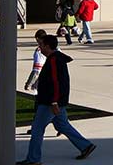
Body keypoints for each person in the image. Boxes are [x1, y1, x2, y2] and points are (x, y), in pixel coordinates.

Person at [24, 35, 95, 163]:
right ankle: (85, 146)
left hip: (50, 103)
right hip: (57, 101)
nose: (39, 48)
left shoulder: (53, 60)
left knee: (37, 129)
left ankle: (33, 159)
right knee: (62, 125)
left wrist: (54, 102)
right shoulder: (56, 58)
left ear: (47, 46)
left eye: (41, 45)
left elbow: (56, 82)